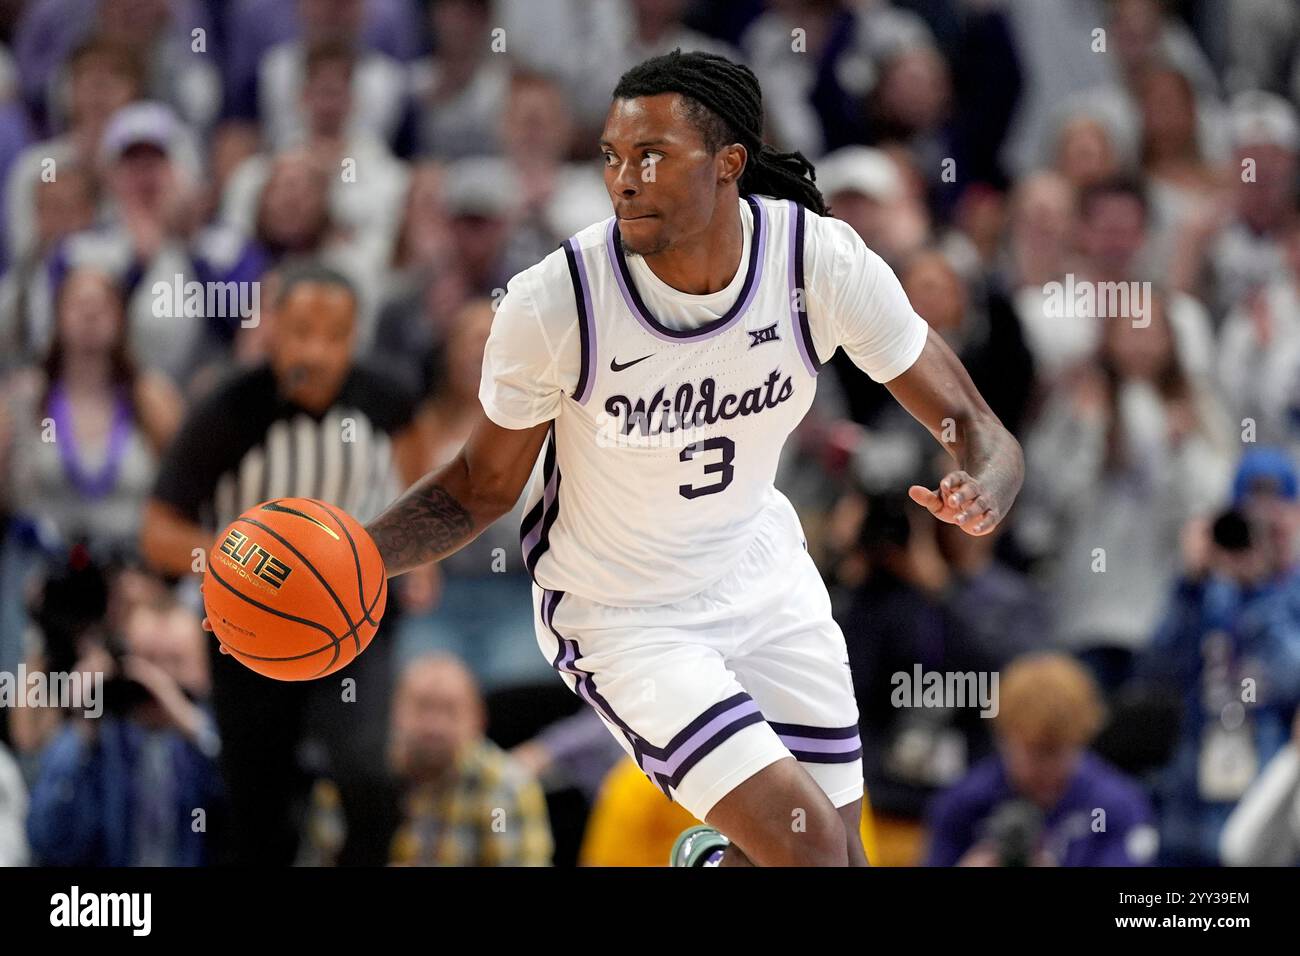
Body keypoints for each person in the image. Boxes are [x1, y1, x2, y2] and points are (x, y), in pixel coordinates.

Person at [344, 50, 1024, 868]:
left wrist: (983, 482)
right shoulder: (558, 302)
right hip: (624, 613)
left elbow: (971, 421)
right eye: (612, 157)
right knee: (809, 856)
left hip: (762, 575)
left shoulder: (817, 263)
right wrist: (354, 556)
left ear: (730, 162)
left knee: (841, 856)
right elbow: (480, 486)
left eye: (652, 155)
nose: (624, 178)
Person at [140, 262, 427, 866]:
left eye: (334, 335)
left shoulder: (389, 400)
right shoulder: (227, 412)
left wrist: (422, 558)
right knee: (259, 805)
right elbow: (158, 532)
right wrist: (254, 568)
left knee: (368, 776)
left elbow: (418, 483)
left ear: (356, 336)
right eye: (301, 332)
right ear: (273, 330)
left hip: (358, 618)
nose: (316, 352)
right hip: (249, 626)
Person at [924, 652, 1158, 867]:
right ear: (1002, 738)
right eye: (1033, 752)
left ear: (1081, 740)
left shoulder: (1115, 807)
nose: (1045, 768)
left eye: (1055, 752)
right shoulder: (965, 803)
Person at [387, 653, 553, 866]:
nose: (434, 725)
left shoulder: (507, 785)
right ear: (395, 711)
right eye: (423, 707)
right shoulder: (368, 774)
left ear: (478, 718)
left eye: (450, 710)